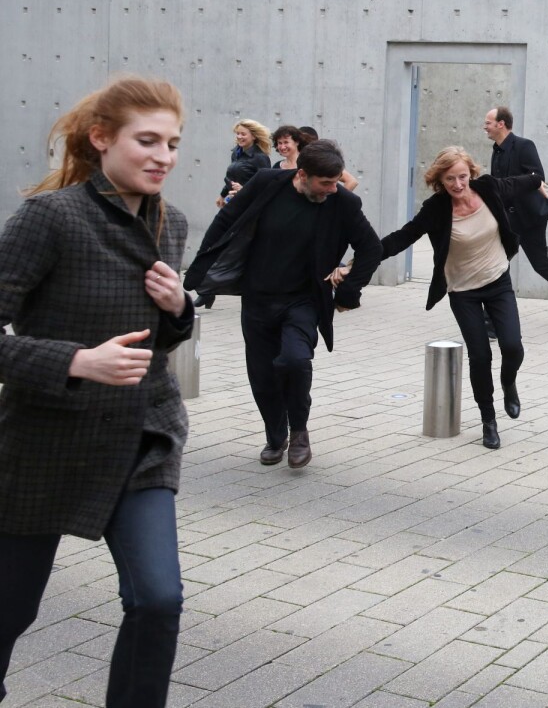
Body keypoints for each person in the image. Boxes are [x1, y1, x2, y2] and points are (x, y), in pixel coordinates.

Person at [0, 76, 193, 707]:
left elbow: (156, 345)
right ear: (102, 138)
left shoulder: (171, 222)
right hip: (44, 442)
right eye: (148, 140)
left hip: (141, 437)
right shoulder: (49, 219)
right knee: (9, 611)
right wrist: (77, 360)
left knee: (158, 598)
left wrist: (178, 312)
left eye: (172, 143)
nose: (163, 156)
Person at [184, 140, 382, 469]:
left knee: (294, 360)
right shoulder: (266, 184)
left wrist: (349, 294)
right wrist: (200, 270)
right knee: (262, 375)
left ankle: (299, 432)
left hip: (303, 300)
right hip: (258, 298)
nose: (333, 189)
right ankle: (276, 436)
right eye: (326, 183)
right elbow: (226, 220)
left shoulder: (343, 203)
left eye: (336, 182)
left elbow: (371, 248)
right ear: (302, 174)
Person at [361, 147, 548, 449]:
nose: (458, 185)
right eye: (450, 179)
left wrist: (537, 180)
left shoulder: (487, 188)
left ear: (471, 173)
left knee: (512, 346)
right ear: (440, 180)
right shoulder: (436, 208)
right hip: (463, 292)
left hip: (498, 281)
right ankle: (489, 421)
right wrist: (362, 260)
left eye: (462, 177)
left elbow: (524, 180)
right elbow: (403, 237)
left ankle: (508, 382)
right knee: (480, 356)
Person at [485, 107, 548, 327]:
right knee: (498, 265)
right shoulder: (497, 150)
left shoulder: (523, 145)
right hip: (505, 219)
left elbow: (537, 176)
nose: (485, 126)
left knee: (540, 264)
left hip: (528, 218)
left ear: (501, 124)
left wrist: (515, 186)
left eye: (488, 122)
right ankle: (493, 319)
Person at [273, 125, 359, 191]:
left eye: (286, 142)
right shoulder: (277, 166)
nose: (282, 147)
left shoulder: (312, 162)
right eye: (279, 143)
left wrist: (336, 203)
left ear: (297, 142)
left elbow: (351, 181)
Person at [218, 118, 271, 206]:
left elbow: (266, 185)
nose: (239, 137)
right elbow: (230, 178)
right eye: (238, 133)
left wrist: (244, 189)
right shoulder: (236, 153)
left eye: (243, 134)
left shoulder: (260, 157)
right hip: (235, 201)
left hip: (250, 205)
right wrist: (222, 195)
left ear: (254, 136)